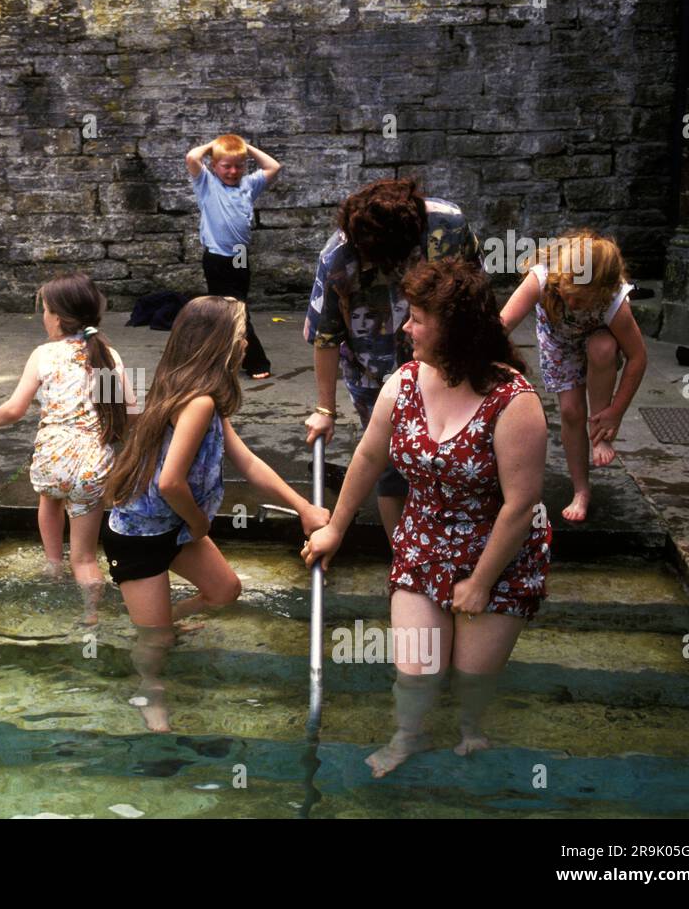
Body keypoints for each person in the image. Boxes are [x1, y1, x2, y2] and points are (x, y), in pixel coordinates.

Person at [304, 259, 550, 779]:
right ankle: (407, 737)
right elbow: (370, 459)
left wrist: (481, 583)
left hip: (498, 552)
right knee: (417, 671)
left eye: (417, 318)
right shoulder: (406, 381)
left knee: (470, 676)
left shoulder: (514, 402)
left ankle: (470, 728)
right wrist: (335, 527)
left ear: (455, 330)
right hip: (423, 543)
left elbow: (520, 505)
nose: (403, 327)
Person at [104, 296, 329, 733]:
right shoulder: (198, 402)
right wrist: (198, 523)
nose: (247, 342)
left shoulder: (204, 398)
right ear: (223, 345)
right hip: (142, 536)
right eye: (242, 334)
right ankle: (150, 691)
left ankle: (161, 619)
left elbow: (249, 464)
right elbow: (170, 482)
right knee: (157, 643)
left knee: (225, 590)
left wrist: (303, 509)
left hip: (171, 525)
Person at [304, 178, 481, 542]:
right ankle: (404, 559)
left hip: (448, 357)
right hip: (374, 367)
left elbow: (476, 295)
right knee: (391, 461)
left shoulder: (447, 226)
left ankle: (450, 541)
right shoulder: (339, 258)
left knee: (451, 448)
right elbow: (325, 337)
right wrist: (325, 410)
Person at [0, 274, 135, 625]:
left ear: (59, 318)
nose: (43, 317)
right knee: (87, 559)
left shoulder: (43, 355)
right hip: (93, 464)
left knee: (49, 499)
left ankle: (52, 567)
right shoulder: (108, 355)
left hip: (53, 459)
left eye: (45, 310)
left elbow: (15, 410)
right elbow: (129, 408)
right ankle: (92, 616)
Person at [500, 231, 647, 522]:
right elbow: (501, 325)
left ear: (602, 294)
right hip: (559, 343)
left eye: (581, 300)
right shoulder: (543, 278)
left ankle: (600, 429)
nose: (571, 302)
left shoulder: (614, 301)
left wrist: (616, 412)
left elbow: (638, 358)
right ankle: (581, 490)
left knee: (602, 347)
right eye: (567, 293)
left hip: (596, 337)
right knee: (570, 411)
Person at [185, 134, 281, 379]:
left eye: (238, 165)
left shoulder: (248, 184)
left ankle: (222, 358)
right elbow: (192, 157)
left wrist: (245, 146)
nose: (232, 171)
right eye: (226, 165)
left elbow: (273, 166)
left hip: (240, 257)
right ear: (214, 166)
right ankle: (256, 362)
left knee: (235, 310)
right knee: (232, 312)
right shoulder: (207, 183)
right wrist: (217, 144)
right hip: (217, 258)